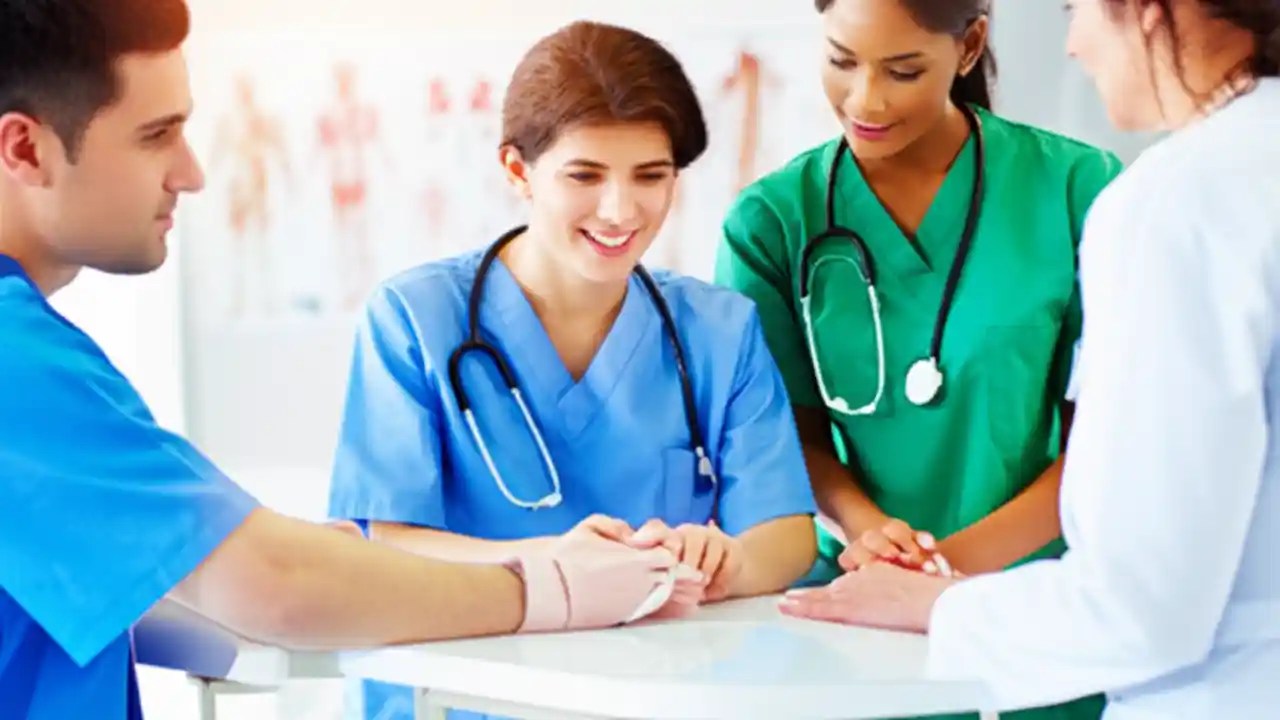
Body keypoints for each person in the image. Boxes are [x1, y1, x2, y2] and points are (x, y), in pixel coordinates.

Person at [0, 3, 688, 718]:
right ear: (25, 149)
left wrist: (312, 562)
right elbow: (276, 584)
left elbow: (202, 564)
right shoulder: (17, 361)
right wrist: (551, 589)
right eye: (157, 135)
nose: (192, 172)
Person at [781, 1, 1280, 718]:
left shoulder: (1177, 202)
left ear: (1145, 10)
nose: (1072, 44)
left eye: (1076, 8)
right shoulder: (1228, 180)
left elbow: (1142, 606)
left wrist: (940, 605)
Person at [327, 20, 819, 720]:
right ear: (518, 171)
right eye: (584, 175)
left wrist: (721, 562)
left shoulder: (717, 330)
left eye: (652, 176)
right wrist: (563, 568)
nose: (621, 210)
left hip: (661, 698)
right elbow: (386, 541)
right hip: (460, 700)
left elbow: (786, 534)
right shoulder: (414, 319)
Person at [715, 0, 1124, 717]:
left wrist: (942, 577)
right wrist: (871, 539)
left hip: (1028, 612)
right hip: (848, 608)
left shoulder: (1079, 191)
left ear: (969, 47)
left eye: (903, 71)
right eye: (841, 60)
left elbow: (1110, 438)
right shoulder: (772, 223)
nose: (865, 99)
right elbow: (784, 437)